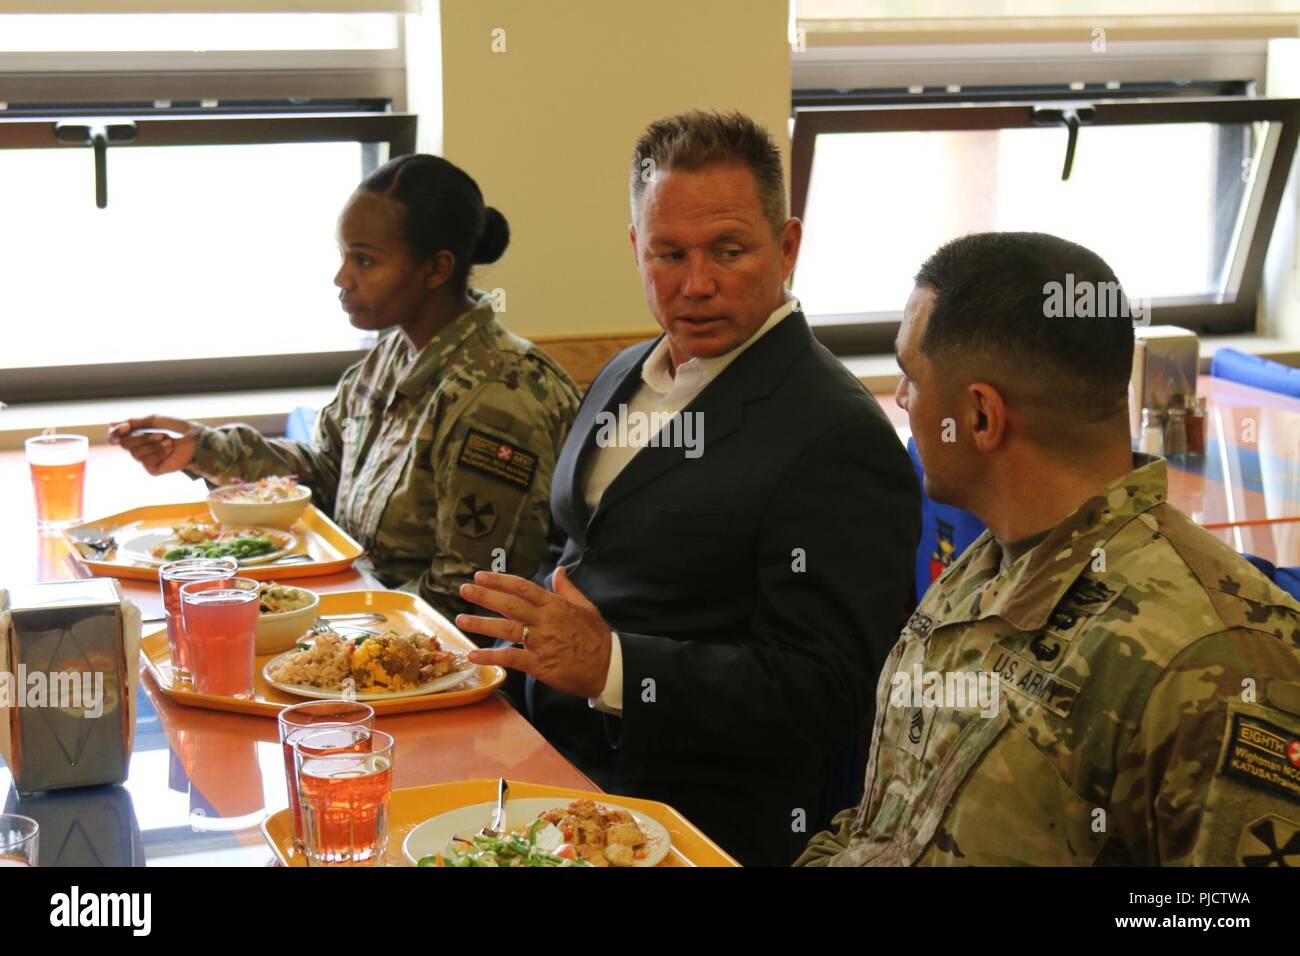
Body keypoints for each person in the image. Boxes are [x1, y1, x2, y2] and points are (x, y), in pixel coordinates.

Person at [454, 111, 921, 866]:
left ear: (788, 247)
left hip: (690, 815)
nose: (696, 284)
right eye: (669, 253)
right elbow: (583, 554)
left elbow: (827, 692)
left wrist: (612, 666)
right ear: (636, 248)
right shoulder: (624, 371)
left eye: (729, 251)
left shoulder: (837, 434)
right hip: (543, 767)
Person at [797, 231, 1300, 867]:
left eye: (910, 378)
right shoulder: (979, 573)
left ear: (981, 417)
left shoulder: (1215, 662)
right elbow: (880, 830)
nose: (901, 402)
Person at [109, 154, 582, 621]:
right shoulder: (393, 356)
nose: (342, 278)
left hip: (432, 649)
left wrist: (319, 622)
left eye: (365, 260)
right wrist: (201, 450)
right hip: (366, 612)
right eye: (344, 255)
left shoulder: (498, 398)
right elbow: (326, 472)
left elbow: (468, 592)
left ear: (436, 269)